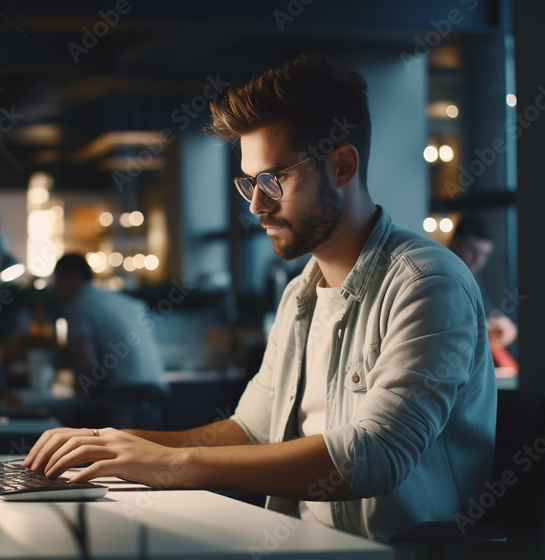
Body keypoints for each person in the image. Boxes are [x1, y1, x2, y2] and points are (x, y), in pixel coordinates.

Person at [25, 53, 496, 541]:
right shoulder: (300, 295)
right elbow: (250, 430)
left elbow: (375, 458)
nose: (256, 205)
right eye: (250, 181)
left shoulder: (428, 283)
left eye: (275, 179)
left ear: (341, 165)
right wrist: (114, 445)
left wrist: (174, 463)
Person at [52, 254, 169, 426]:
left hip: (127, 399)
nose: (56, 289)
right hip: (158, 395)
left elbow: (86, 369)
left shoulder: (80, 305)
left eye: (58, 281)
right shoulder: (125, 301)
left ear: (74, 276)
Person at [448, 215, 518, 350]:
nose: (478, 260)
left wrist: (502, 323)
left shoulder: (472, 278)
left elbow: (488, 311)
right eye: (473, 251)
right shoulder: (440, 278)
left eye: (485, 254)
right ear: (455, 243)